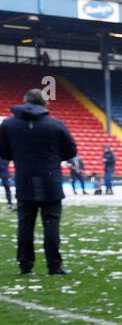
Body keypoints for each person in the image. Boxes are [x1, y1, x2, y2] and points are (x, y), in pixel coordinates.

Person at [0, 89, 75, 275]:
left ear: (24, 101)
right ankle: (54, 265)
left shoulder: (8, 124)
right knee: (51, 223)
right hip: (50, 179)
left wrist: (20, 157)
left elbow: (3, 151)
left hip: (24, 178)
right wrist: (53, 157)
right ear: (45, 104)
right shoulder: (56, 124)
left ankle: (25, 265)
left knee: (25, 224)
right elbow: (71, 151)